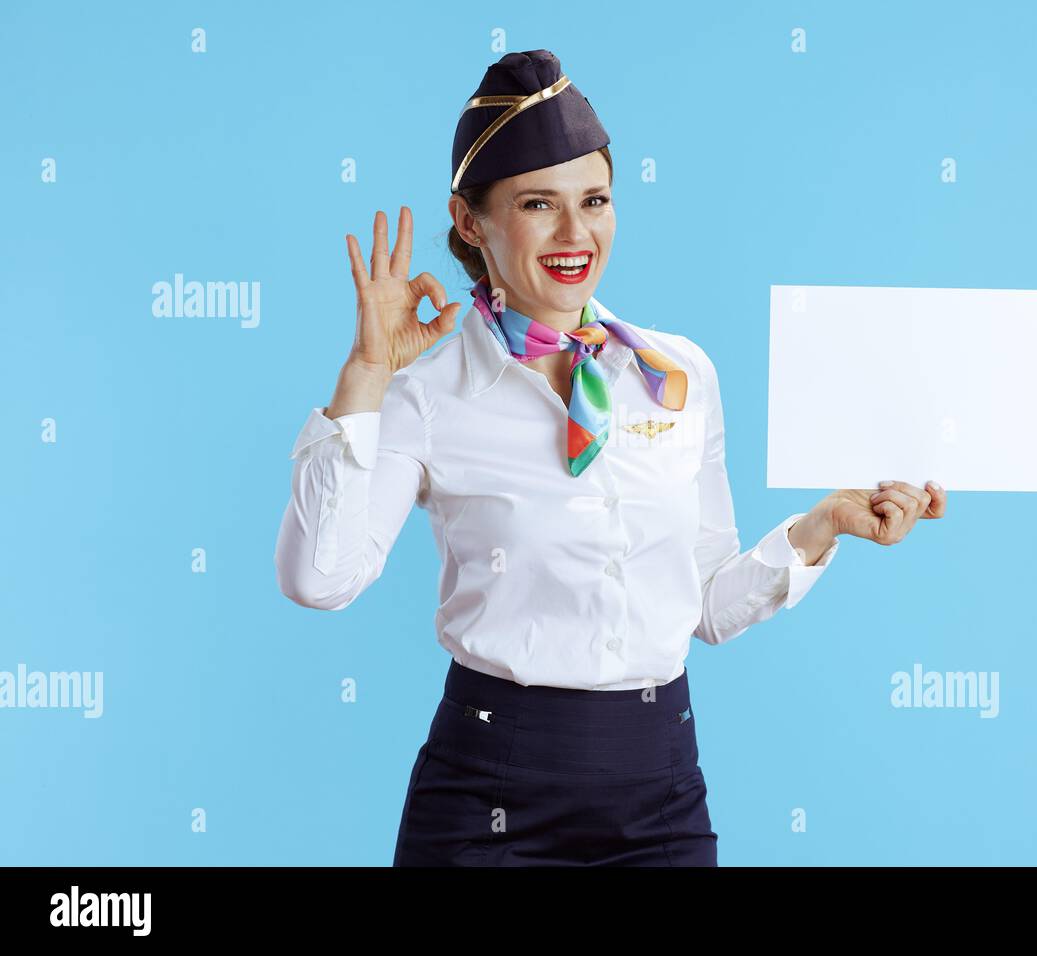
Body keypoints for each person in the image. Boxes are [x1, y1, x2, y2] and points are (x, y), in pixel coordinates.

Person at [274, 49, 946, 867]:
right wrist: (367, 373)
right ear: (468, 221)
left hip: (661, 791)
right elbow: (319, 579)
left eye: (594, 201)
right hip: (488, 791)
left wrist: (821, 527)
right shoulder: (425, 395)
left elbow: (703, 607)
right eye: (537, 204)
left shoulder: (678, 375)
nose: (575, 234)